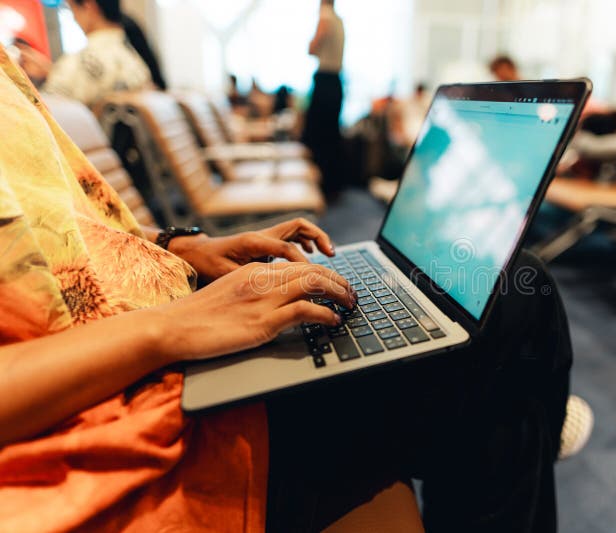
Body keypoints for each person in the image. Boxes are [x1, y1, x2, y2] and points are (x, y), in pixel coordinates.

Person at [0, 42, 571, 531]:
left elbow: (57, 224)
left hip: (147, 343)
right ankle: (517, 409)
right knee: (517, 311)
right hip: (120, 422)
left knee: (488, 326)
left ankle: (511, 408)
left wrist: (177, 246)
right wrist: (170, 326)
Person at [17, 0, 152, 107]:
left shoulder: (76, 64)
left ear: (89, 6)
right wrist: (53, 71)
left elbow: (45, 118)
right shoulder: (134, 57)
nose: (74, 18)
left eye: (72, 9)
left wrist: (20, 79)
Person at [302, 0, 346, 198]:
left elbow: (312, 47)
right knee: (331, 135)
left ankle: (324, 187)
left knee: (319, 136)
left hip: (325, 83)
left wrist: (311, 44)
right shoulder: (339, 20)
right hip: (335, 82)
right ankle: (333, 184)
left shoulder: (326, 15)